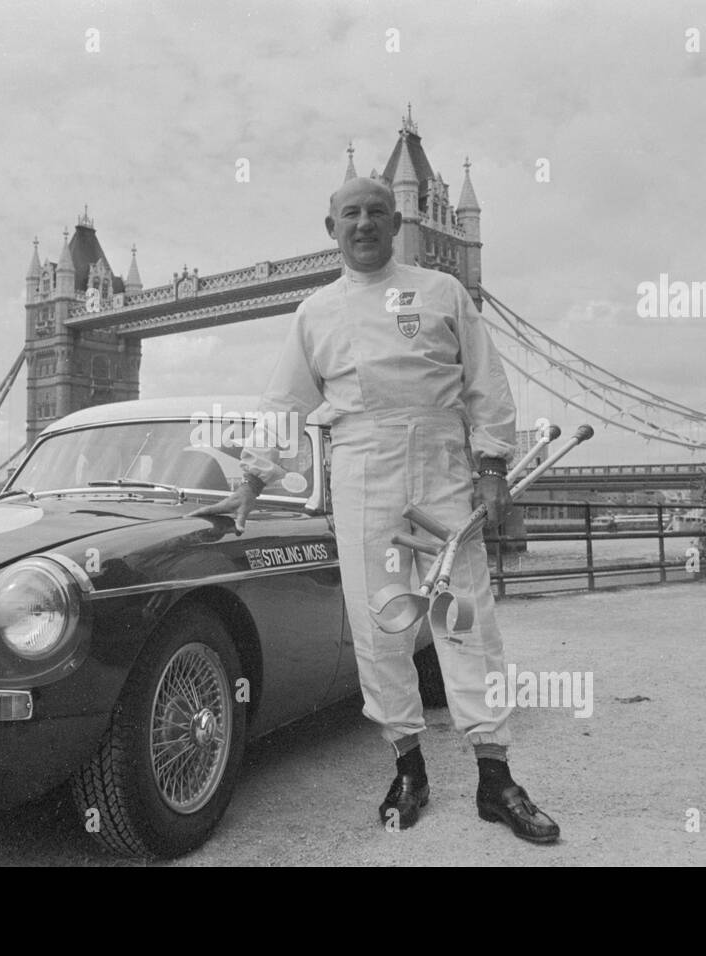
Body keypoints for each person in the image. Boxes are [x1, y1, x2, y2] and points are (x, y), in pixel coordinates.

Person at [188, 176, 559, 842]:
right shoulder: (314, 313)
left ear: (396, 225)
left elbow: (486, 384)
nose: (364, 223)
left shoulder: (442, 292)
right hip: (361, 469)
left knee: (464, 618)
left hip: (441, 464)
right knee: (381, 625)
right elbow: (286, 407)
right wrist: (251, 480)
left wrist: (494, 468)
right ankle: (408, 767)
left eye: (377, 213)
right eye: (350, 214)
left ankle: (496, 779)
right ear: (330, 228)